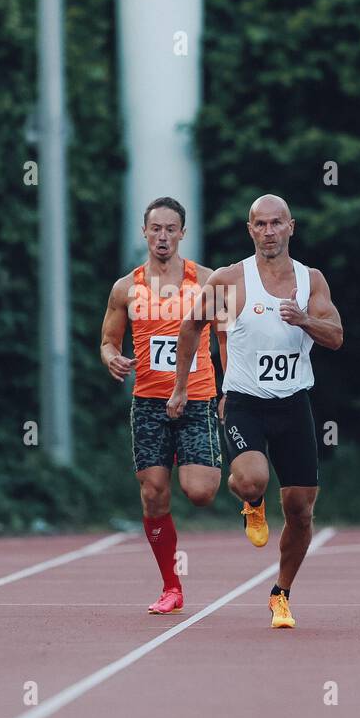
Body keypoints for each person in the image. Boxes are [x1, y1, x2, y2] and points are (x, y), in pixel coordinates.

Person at [169, 195, 342, 629]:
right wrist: (182, 386)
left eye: (276, 223)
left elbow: (336, 336)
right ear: (250, 230)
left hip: (293, 404)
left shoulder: (310, 280)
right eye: (260, 224)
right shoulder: (230, 280)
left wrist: (304, 321)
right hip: (244, 402)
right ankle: (251, 501)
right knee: (253, 478)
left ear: (291, 227)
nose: (268, 232)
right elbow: (192, 325)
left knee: (301, 509)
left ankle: (280, 593)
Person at [100, 197, 223, 615]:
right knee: (153, 495)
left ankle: (249, 492)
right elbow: (107, 341)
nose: (163, 236)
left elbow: (227, 336)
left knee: (201, 492)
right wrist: (112, 358)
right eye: (156, 229)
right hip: (149, 402)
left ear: (183, 233)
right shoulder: (126, 287)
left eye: (171, 229)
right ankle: (171, 586)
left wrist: (231, 389)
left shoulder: (205, 281)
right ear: (144, 232)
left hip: (198, 396)